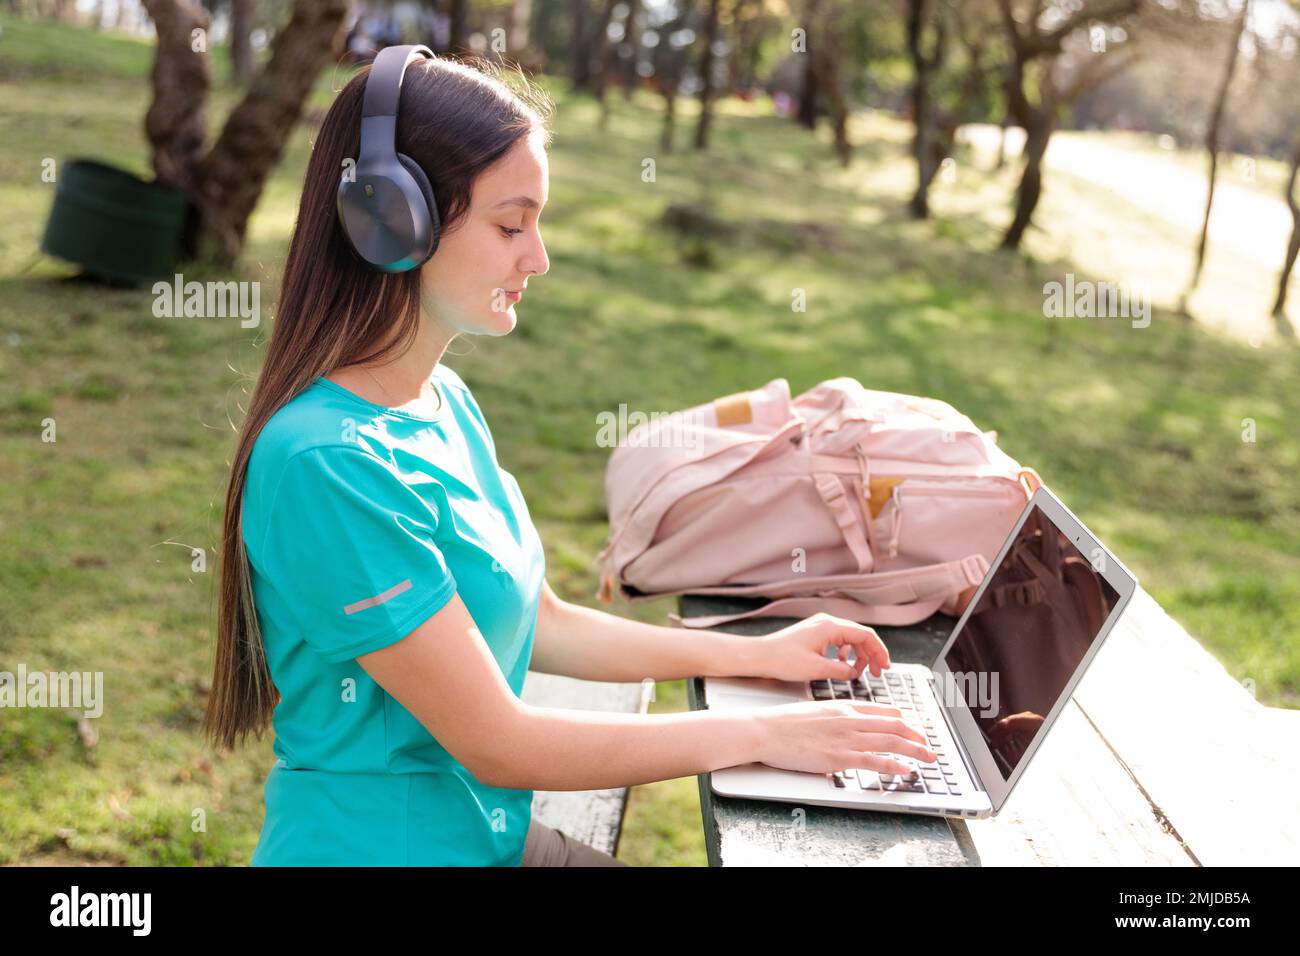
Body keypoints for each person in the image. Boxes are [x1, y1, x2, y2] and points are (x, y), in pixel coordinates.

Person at [204, 53, 937, 867]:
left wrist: (754, 654)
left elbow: (542, 621)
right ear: (392, 219)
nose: (538, 258)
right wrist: (765, 732)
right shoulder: (324, 466)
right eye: (511, 225)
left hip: (492, 843)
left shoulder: (441, 402)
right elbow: (500, 744)